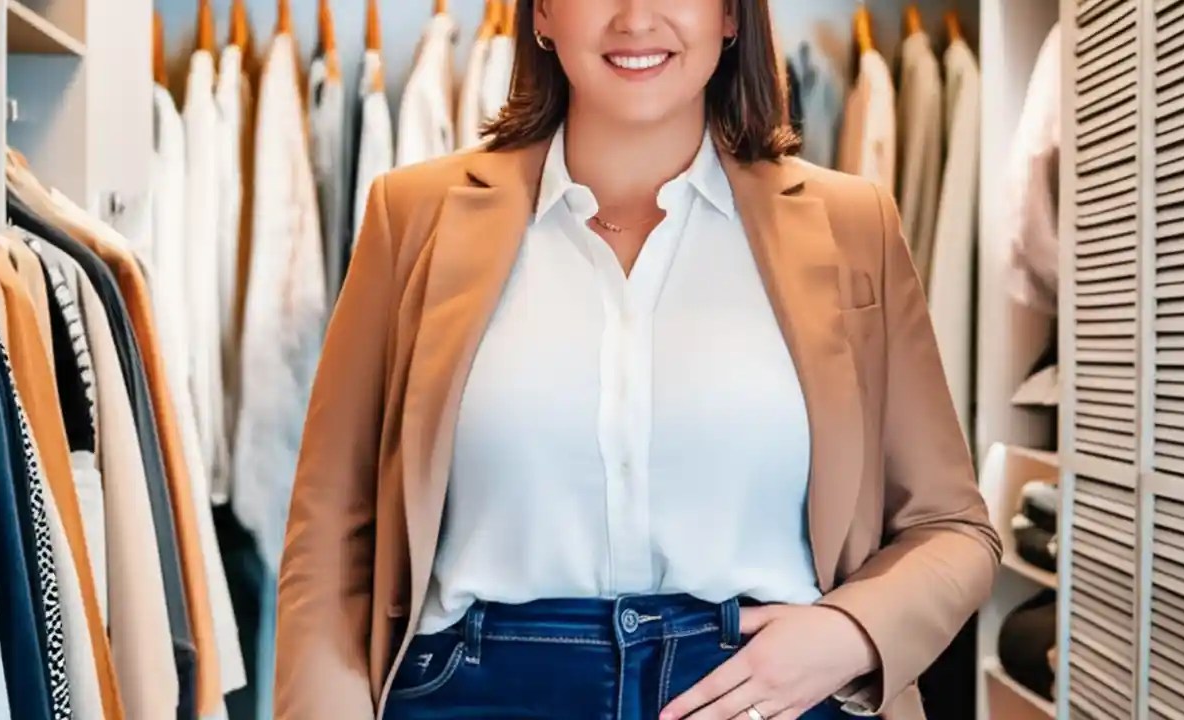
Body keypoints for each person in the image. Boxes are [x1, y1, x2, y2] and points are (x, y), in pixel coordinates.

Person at [273, 0, 1001, 718]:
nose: (636, 17)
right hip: (478, 687)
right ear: (543, 15)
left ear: (730, 16)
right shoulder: (413, 215)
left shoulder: (853, 225)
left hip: (768, 694)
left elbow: (952, 527)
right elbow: (332, 529)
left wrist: (851, 634)